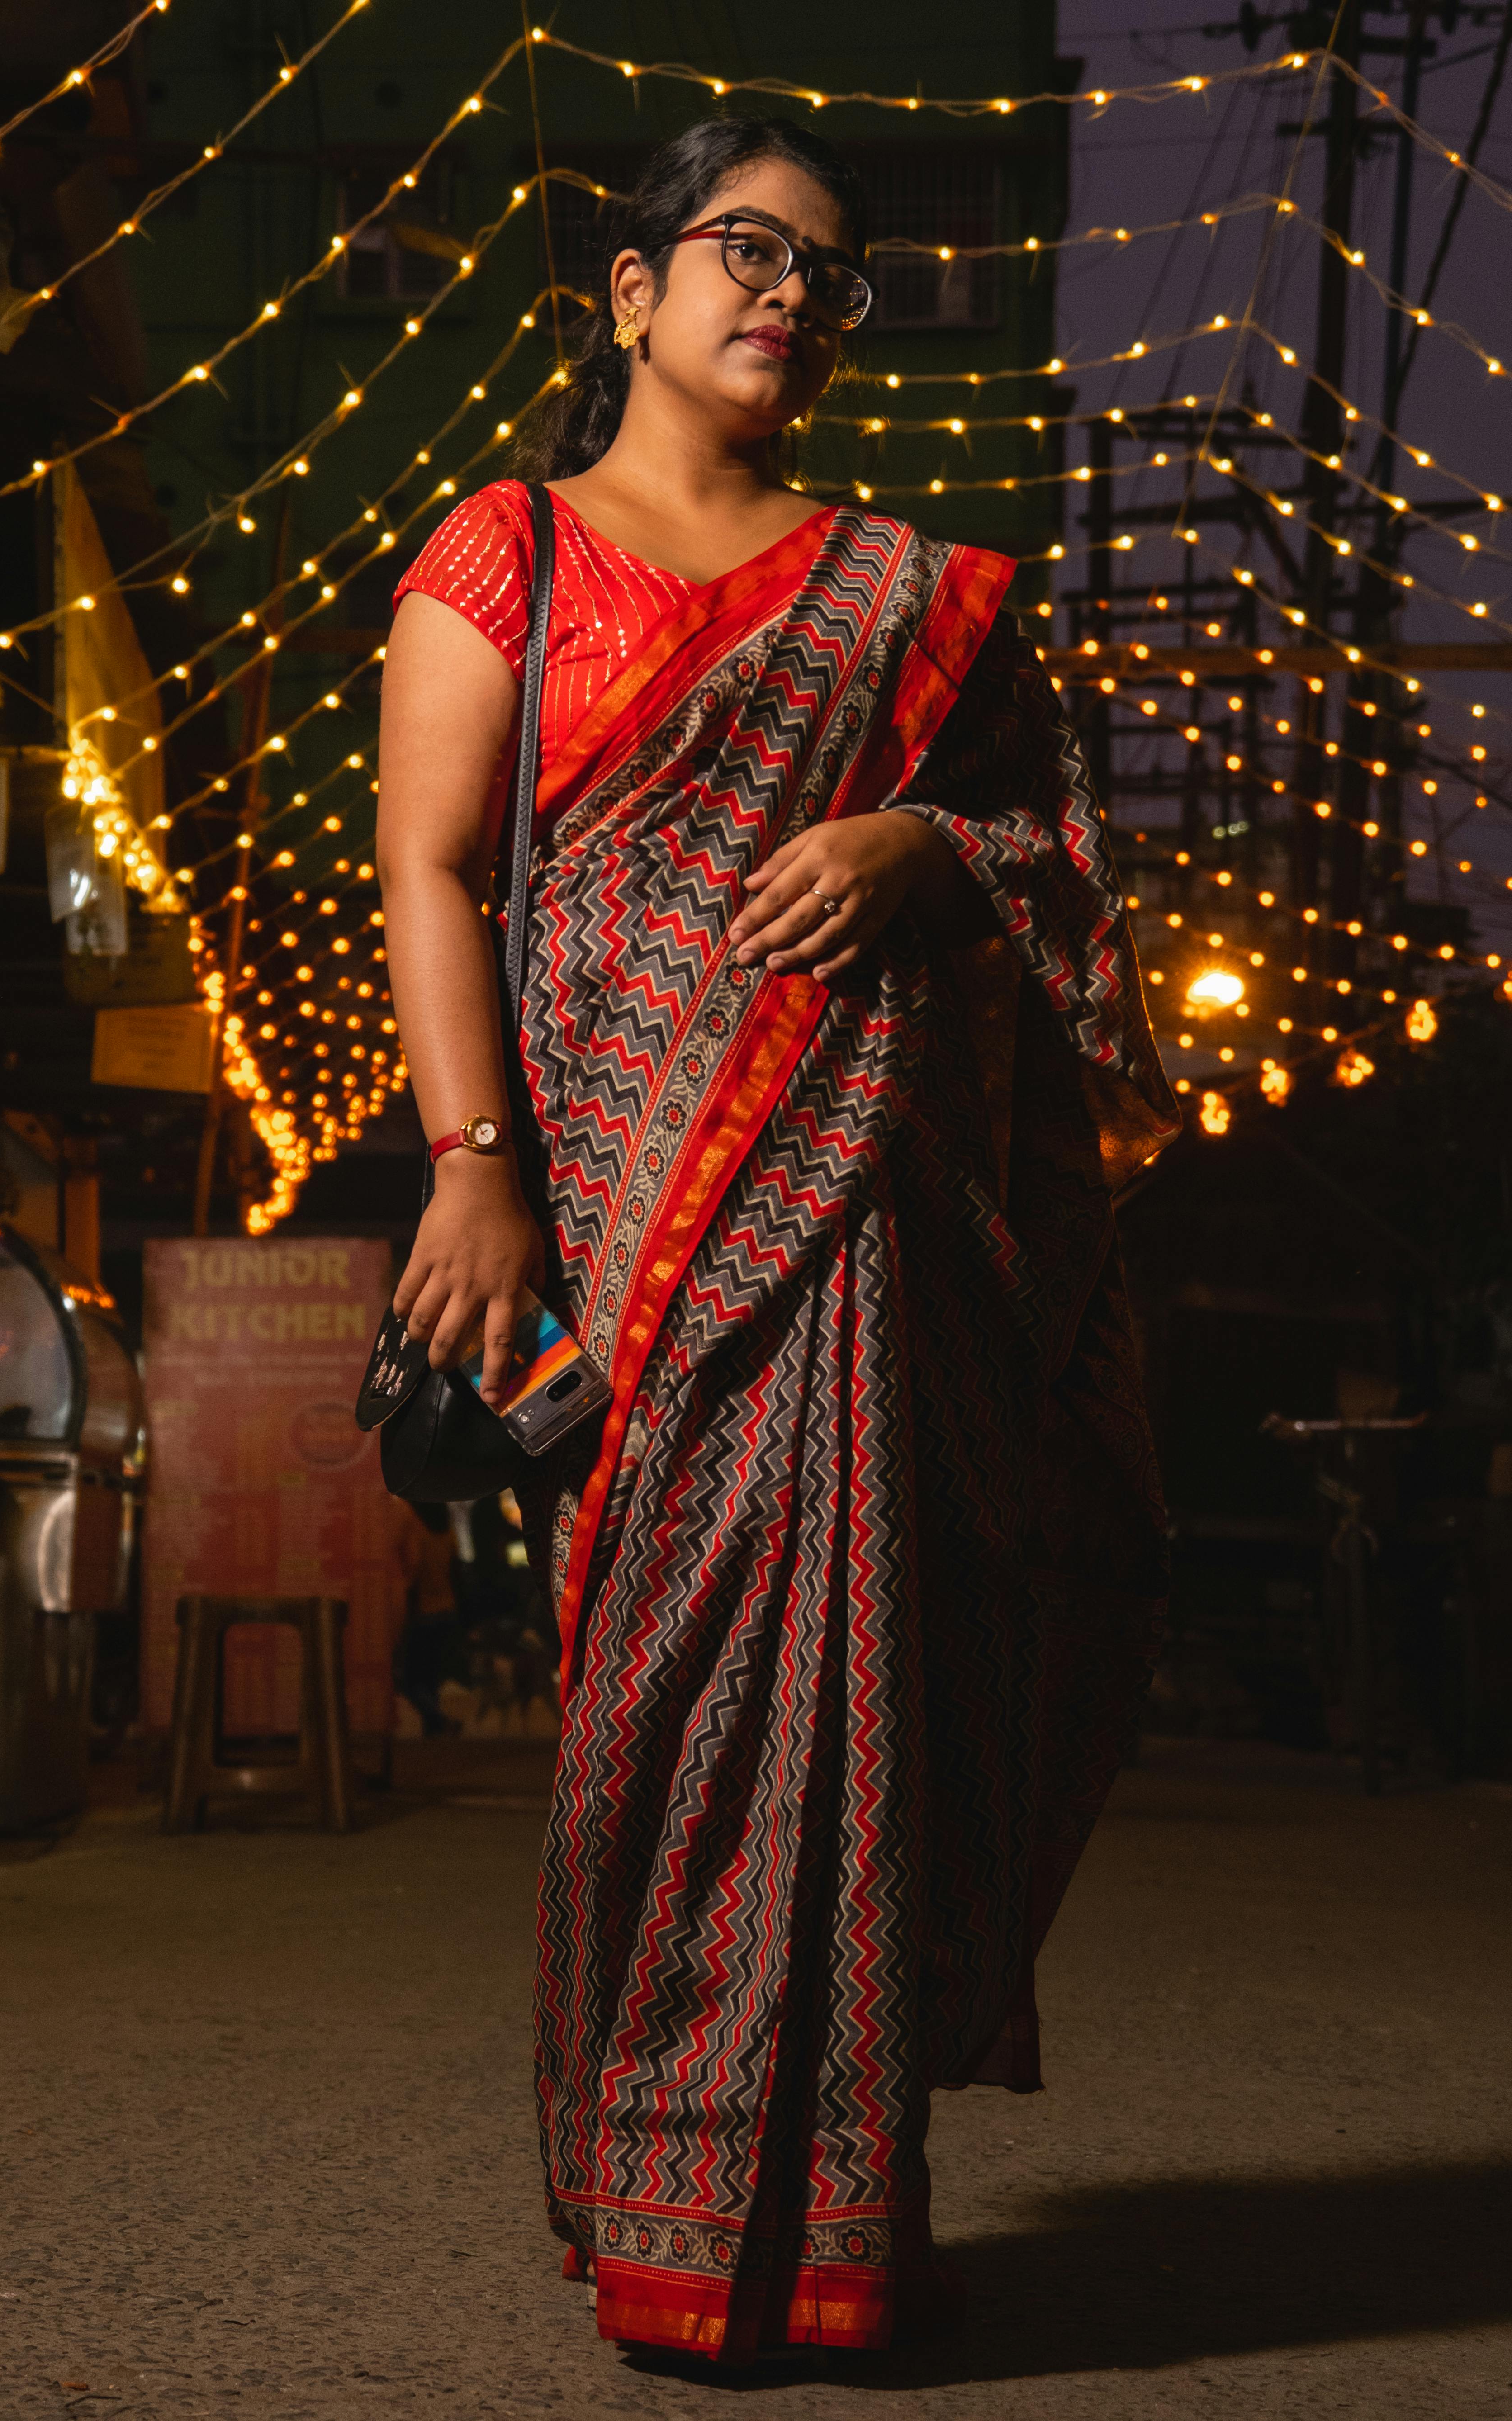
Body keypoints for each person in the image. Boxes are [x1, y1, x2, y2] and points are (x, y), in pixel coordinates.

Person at [376, 114, 1178, 2365]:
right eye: (747, 249)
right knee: (660, 1699)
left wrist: (925, 840)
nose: (792, 296)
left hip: (864, 1227)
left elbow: (1059, 862)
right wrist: (474, 1163)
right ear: (631, 289)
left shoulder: (912, 593)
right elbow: (433, 864)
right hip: (633, 1226)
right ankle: (653, 2189)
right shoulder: (508, 548)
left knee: (858, 1698)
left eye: (830, 273)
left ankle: (823, 2223)